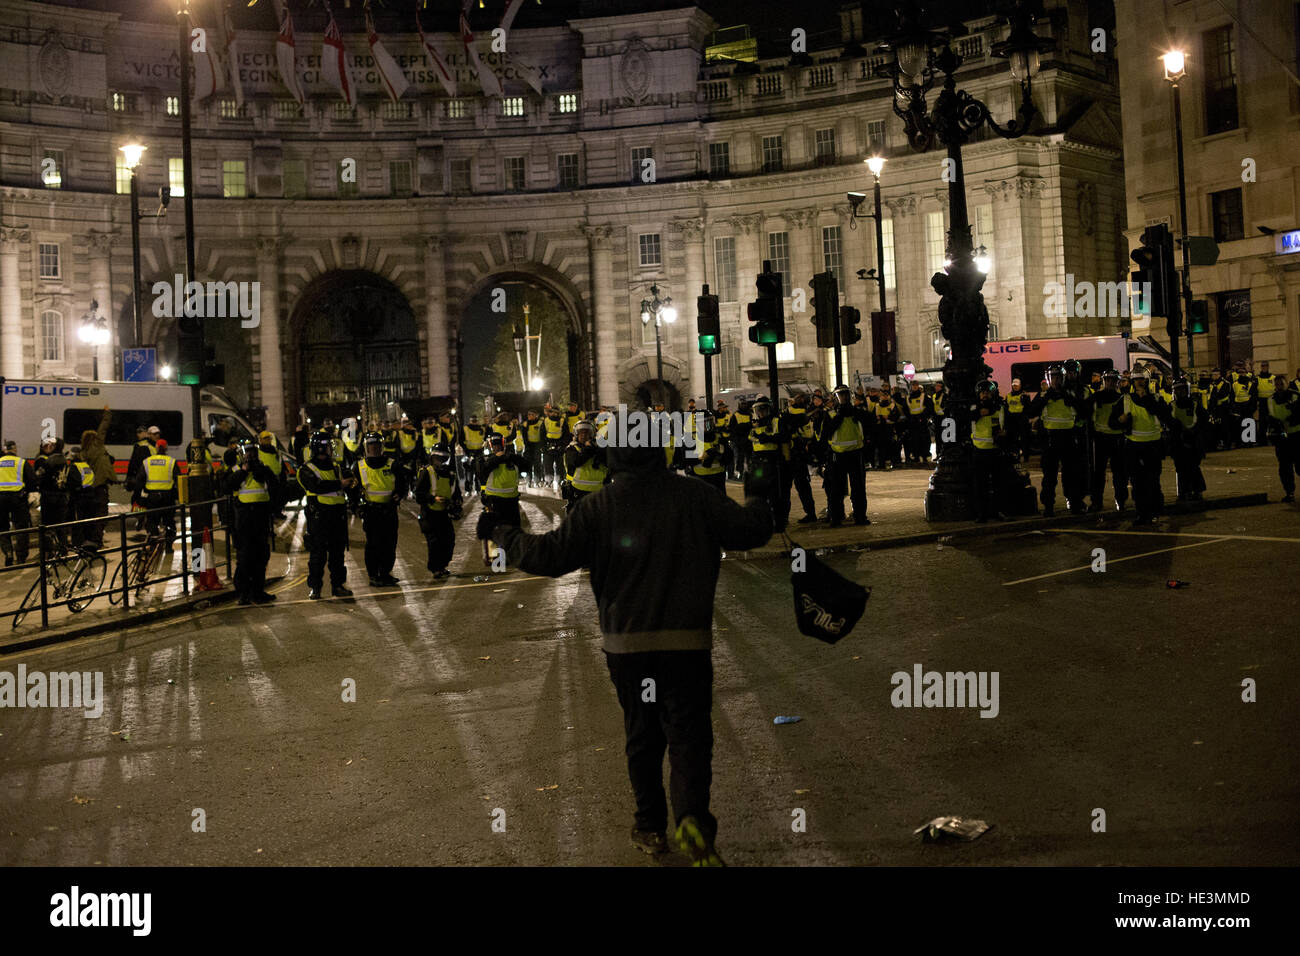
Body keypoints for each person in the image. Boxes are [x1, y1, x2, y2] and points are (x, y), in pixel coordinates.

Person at [490, 414, 772, 865]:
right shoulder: (694, 495)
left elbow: (549, 556)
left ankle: (650, 827)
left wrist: (503, 534)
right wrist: (759, 491)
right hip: (686, 644)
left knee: (642, 735)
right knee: (689, 736)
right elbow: (754, 529)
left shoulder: (599, 507)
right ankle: (693, 819)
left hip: (628, 647)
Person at [298, 431, 354, 599]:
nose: (331, 449)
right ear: (322, 448)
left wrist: (352, 484)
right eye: (329, 446)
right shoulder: (306, 469)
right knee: (317, 556)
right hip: (319, 518)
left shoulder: (336, 467)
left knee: (337, 555)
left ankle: (338, 586)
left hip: (337, 517)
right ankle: (315, 587)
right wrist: (340, 484)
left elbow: (348, 485)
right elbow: (317, 486)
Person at [1110, 368, 1168, 525]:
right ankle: (1142, 513)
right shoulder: (1126, 400)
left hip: (1153, 445)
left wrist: (1148, 401)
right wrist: (1120, 421)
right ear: (1132, 382)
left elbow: (1166, 416)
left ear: (1147, 381)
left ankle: (1155, 512)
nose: (1139, 383)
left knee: (1153, 481)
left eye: (1142, 380)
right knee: (1137, 482)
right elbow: (1112, 422)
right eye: (1136, 380)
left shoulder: (1155, 398)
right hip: (1134, 446)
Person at [222, 439, 277, 605]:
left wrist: (261, 471)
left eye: (253, 452)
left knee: (261, 556)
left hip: (260, 516)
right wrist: (244, 471)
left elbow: (275, 486)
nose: (251, 456)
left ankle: (258, 592)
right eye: (248, 453)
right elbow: (226, 487)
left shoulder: (263, 469)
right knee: (245, 557)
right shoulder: (236, 470)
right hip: (243, 518)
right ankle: (243, 593)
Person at [1028, 364, 1086, 516]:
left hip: (1068, 438)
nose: (1055, 380)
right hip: (1050, 439)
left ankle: (1074, 504)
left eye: (1058, 377)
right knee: (1049, 477)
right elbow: (1031, 411)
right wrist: (1046, 398)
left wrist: (1068, 398)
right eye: (1053, 377)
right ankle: (1048, 507)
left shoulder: (1070, 394)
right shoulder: (1043, 396)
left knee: (1071, 475)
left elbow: (1083, 411)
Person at [351, 431, 403, 587]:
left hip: (389, 510)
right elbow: (353, 491)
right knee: (373, 544)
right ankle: (373, 575)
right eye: (370, 446)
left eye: (376, 445)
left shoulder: (393, 464)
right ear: (366, 447)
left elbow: (402, 484)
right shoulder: (359, 466)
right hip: (371, 511)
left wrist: (399, 494)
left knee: (390, 543)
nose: (373, 449)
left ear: (381, 447)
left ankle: (385, 573)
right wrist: (356, 507)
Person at [819, 385, 870, 527]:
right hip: (837, 456)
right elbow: (826, 435)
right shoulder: (830, 415)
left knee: (858, 489)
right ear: (836, 398)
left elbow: (870, 424)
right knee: (836, 490)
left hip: (855, 454)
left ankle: (860, 517)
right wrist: (839, 416)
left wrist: (855, 412)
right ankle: (836, 519)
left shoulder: (857, 413)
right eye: (840, 396)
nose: (844, 398)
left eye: (845, 395)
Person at [476, 432, 531, 564]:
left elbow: (526, 466)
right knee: (496, 530)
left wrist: (510, 457)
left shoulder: (511, 458)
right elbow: (481, 472)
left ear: (503, 444)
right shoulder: (485, 459)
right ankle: (495, 557)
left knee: (514, 528)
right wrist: (499, 458)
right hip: (494, 500)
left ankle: (513, 554)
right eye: (493, 445)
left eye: (498, 445)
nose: (496, 448)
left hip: (511, 499)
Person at [414, 443, 458, 579]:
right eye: (438, 458)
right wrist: (433, 498)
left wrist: (455, 505)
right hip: (429, 514)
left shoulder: (450, 473)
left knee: (449, 540)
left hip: (444, 513)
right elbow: (419, 494)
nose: (441, 462)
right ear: (432, 458)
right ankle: (435, 569)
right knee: (434, 543)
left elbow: (456, 492)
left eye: (444, 459)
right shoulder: (426, 472)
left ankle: (442, 566)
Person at [1086, 370, 1127, 513]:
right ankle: (1097, 502)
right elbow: (1087, 414)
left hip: (1117, 439)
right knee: (1098, 474)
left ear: (1117, 382)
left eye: (1113, 380)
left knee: (1119, 473)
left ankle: (1121, 502)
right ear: (1104, 381)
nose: (1110, 382)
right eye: (1108, 379)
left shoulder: (1122, 398)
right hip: (1101, 439)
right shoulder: (1096, 397)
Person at [77, 406, 114, 549]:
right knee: (101, 515)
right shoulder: (97, 446)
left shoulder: (82, 453)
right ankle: (97, 541)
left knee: (90, 516)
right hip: (99, 487)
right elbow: (103, 429)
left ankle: (89, 540)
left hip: (88, 489)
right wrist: (107, 414)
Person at [1167, 377, 1208, 502]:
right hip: (1178, 442)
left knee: (1193, 467)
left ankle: (1197, 490)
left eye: (1183, 389)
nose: (1181, 392)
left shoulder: (1195, 404)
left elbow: (1203, 421)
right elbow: (1168, 422)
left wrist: (1194, 433)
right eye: (1178, 390)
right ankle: (1185, 492)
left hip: (1193, 440)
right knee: (1181, 468)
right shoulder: (1171, 406)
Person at [970, 380, 1005, 522]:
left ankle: (996, 512)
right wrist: (979, 413)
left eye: (987, 392)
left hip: (996, 451)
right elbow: (965, 419)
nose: (985, 395)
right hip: (979, 451)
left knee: (998, 485)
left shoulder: (1000, 408)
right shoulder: (974, 407)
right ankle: (982, 514)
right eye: (982, 392)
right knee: (980, 486)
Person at [135, 438, 180, 546]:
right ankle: (169, 541)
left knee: (152, 520)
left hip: (152, 497)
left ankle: (153, 538)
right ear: (166, 448)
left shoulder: (147, 461)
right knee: (168, 520)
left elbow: (140, 479)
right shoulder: (171, 462)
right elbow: (178, 478)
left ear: (155, 448)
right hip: (168, 497)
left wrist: (139, 497)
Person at [0, 441, 36, 566]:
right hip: (18, 499)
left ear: (5, 450)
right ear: (14, 449)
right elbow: (32, 480)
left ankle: (8, 552)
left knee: (2, 528)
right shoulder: (21, 462)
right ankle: (21, 557)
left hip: (0, 499)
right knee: (21, 527)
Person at [1266, 375, 1300, 502]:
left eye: (1282, 384)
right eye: (1277, 385)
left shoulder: (1296, 396)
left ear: (1287, 384)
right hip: (1282, 437)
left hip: (1297, 435)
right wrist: (1272, 424)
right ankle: (1289, 492)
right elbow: (1268, 416)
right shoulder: (1271, 399)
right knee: (1285, 467)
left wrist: (1295, 417)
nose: (1279, 387)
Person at [563, 420, 608, 512]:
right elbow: (577, 461)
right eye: (580, 433)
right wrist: (588, 449)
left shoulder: (600, 447)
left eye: (586, 433)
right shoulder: (572, 448)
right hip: (578, 491)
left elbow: (608, 462)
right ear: (576, 435)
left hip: (599, 490)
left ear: (592, 435)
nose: (583, 436)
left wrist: (598, 449)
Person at [127, 425, 159, 531]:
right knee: (139, 498)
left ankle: (144, 518)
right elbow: (134, 463)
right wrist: (131, 477)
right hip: (145, 477)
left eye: (158, 434)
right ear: (149, 435)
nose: (157, 436)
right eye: (154, 434)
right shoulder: (143, 446)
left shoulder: (158, 446)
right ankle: (140, 516)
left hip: (153, 478)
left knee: (145, 500)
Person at [689, 412, 727, 495]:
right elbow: (686, 459)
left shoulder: (719, 436)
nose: (707, 426)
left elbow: (728, 456)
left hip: (718, 476)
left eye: (709, 422)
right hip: (700, 477)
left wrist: (721, 455)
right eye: (703, 423)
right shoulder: (692, 437)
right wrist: (702, 456)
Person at [903, 381, 933, 465]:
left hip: (922, 421)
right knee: (914, 439)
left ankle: (925, 455)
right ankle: (916, 455)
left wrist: (923, 416)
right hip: (913, 421)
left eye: (916, 385)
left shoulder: (924, 396)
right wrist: (910, 418)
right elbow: (905, 409)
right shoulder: (908, 397)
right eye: (913, 385)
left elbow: (930, 407)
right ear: (911, 387)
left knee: (924, 439)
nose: (915, 387)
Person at [1004, 379, 1031, 463]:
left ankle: (1026, 456)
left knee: (1024, 438)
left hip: (1021, 418)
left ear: (1020, 386)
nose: (1015, 386)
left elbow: (1028, 407)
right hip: (1012, 419)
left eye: (1016, 385)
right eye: (1014, 385)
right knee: (1013, 439)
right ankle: (1015, 456)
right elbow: (1006, 407)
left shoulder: (1024, 395)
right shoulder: (1008, 395)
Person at [522, 409, 544, 487]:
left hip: (537, 445)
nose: (530, 416)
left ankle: (537, 480)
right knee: (528, 464)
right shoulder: (525, 424)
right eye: (529, 415)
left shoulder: (540, 423)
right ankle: (528, 481)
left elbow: (542, 434)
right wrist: (526, 445)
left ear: (536, 415)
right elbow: (524, 436)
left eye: (532, 414)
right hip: (528, 446)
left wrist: (541, 444)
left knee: (537, 464)